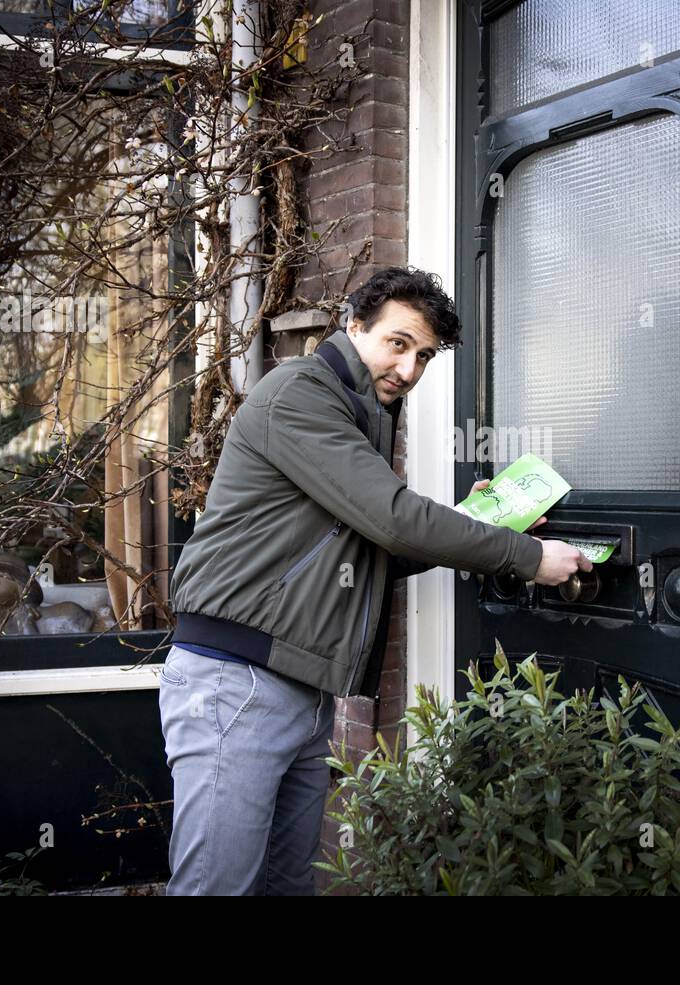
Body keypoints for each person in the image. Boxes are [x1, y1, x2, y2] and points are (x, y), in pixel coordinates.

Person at [159, 266, 589, 895]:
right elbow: (392, 519)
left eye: (425, 356)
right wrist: (524, 556)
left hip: (298, 690)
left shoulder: (363, 409)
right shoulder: (301, 396)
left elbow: (369, 549)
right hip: (236, 682)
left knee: (285, 886)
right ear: (354, 325)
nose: (410, 369)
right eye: (398, 343)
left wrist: (480, 521)